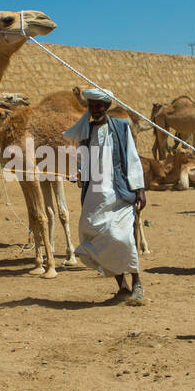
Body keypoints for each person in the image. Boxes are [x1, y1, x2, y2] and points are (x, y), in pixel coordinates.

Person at [64, 87, 147, 304]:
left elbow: (132, 157)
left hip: (119, 192)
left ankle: (136, 282)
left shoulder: (120, 128)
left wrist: (139, 189)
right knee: (99, 237)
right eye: (92, 106)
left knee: (123, 238)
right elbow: (83, 163)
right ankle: (122, 286)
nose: (95, 109)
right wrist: (78, 173)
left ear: (107, 106)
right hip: (95, 195)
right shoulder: (87, 131)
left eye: (99, 106)